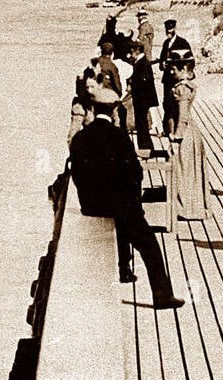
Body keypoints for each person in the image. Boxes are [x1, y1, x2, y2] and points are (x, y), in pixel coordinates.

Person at [68, 83, 184, 309]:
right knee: (149, 245)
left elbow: (77, 174)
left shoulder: (82, 138)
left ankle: (121, 273)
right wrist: (133, 202)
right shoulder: (119, 137)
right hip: (120, 206)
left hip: (92, 206)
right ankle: (162, 296)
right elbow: (134, 174)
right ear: (113, 110)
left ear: (92, 108)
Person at [164, 54, 208, 221]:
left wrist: (176, 137)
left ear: (183, 69)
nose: (171, 72)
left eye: (173, 69)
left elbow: (181, 116)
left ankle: (186, 209)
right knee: (189, 170)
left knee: (184, 170)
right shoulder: (186, 86)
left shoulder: (181, 89)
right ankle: (193, 208)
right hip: (190, 132)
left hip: (184, 134)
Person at [128, 40, 158, 151]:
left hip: (142, 99)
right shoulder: (143, 62)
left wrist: (132, 84)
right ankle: (146, 146)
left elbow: (143, 82)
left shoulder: (142, 63)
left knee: (142, 124)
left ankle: (145, 147)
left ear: (136, 51)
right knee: (142, 123)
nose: (131, 55)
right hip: (143, 99)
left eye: (132, 52)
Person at [157, 19, 193, 114]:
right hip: (167, 79)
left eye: (171, 29)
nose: (169, 31)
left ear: (175, 28)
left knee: (178, 104)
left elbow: (190, 61)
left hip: (177, 78)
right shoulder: (166, 43)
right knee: (167, 104)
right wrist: (162, 64)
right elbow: (162, 59)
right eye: (167, 29)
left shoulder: (182, 42)